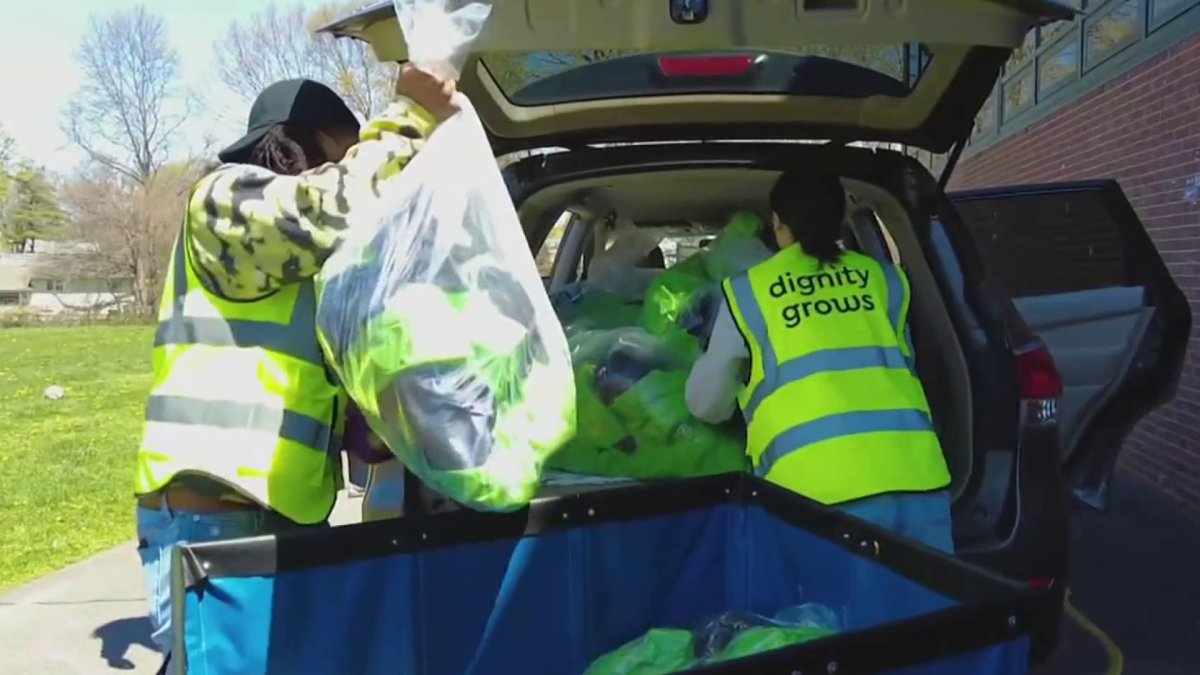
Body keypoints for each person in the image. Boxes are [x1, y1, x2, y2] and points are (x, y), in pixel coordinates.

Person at [132, 67, 459, 666]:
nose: (344, 171)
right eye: (340, 155)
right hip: (215, 517)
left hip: (286, 514)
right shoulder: (224, 201)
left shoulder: (295, 264)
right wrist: (411, 116)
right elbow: (329, 207)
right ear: (295, 145)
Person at [684, 171, 953, 553]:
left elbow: (706, 403)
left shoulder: (750, 291)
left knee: (842, 616)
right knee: (935, 611)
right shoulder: (884, 278)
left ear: (779, 224)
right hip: (918, 482)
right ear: (841, 218)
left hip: (820, 496)